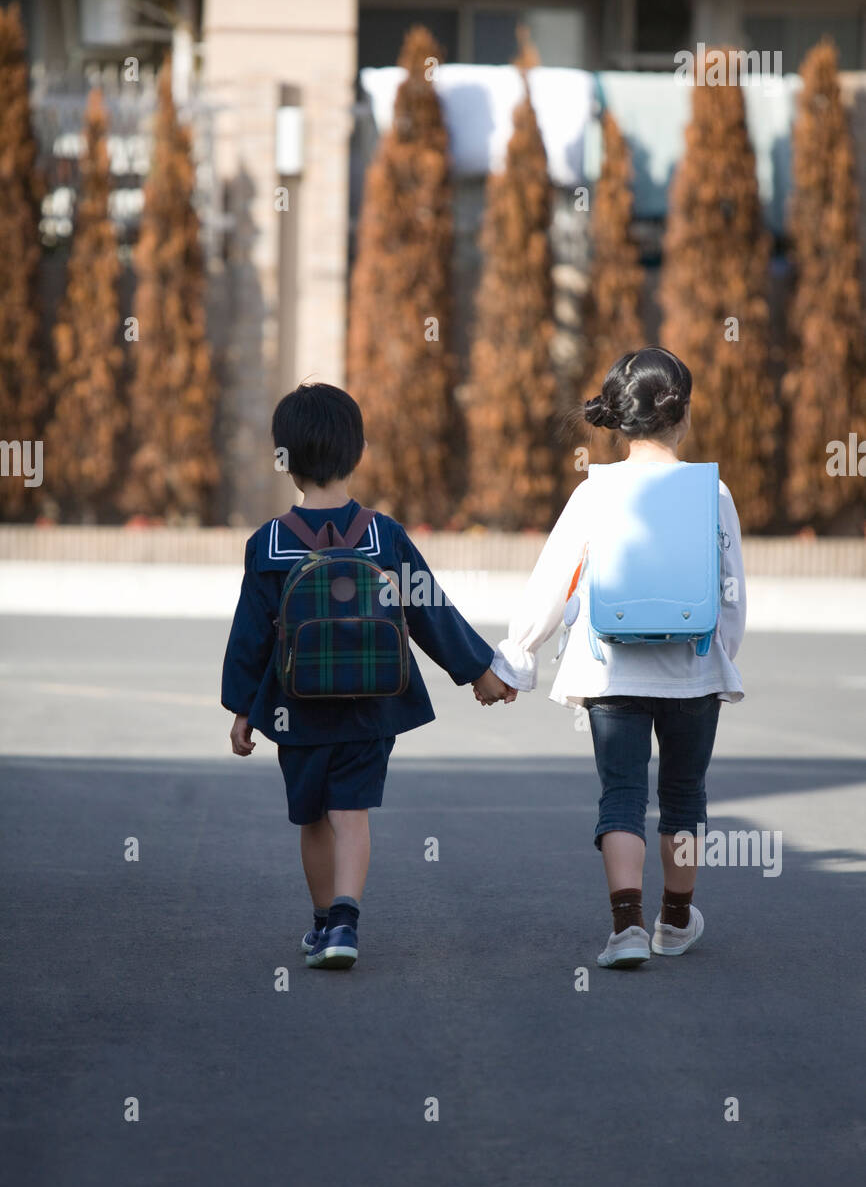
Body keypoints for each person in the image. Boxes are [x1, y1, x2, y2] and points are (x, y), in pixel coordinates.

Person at [221, 382, 511, 970]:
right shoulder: (386, 537)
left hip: (294, 709)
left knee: (312, 819)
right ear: (359, 451)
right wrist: (478, 670)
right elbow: (430, 609)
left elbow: (251, 635)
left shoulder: (268, 544)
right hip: (373, 703)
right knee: (351, 813)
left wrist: (243, 709)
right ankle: (347, 925)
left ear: (285, 460)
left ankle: (323, 923)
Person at [490, 347, 746, 968]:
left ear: (621, 420)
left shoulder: (592, 494)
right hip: (694, 671)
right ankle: (675, 923)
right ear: (683, 415)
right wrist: (717, 661)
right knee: (685, 799)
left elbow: (551, 581)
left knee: (623, 797)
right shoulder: (713, 493)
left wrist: (515, 657)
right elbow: (731, 594)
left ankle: (626, 929)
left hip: (611, 668)